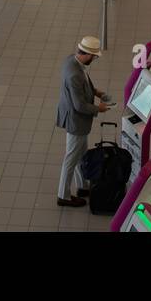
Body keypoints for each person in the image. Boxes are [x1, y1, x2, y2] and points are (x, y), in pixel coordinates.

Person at [55, 36, 111, 207]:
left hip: (76, 119)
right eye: (94, 57)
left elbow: (85, 83)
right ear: (87, 54)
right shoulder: (74, 75)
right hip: (76, 121)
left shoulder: (72, 60)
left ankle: (82, 186)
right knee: (71, 159)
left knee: (81, 153)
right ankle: (63, 196)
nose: (95, 59)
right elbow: (79, 105)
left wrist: (97, 93)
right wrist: (98, 109)